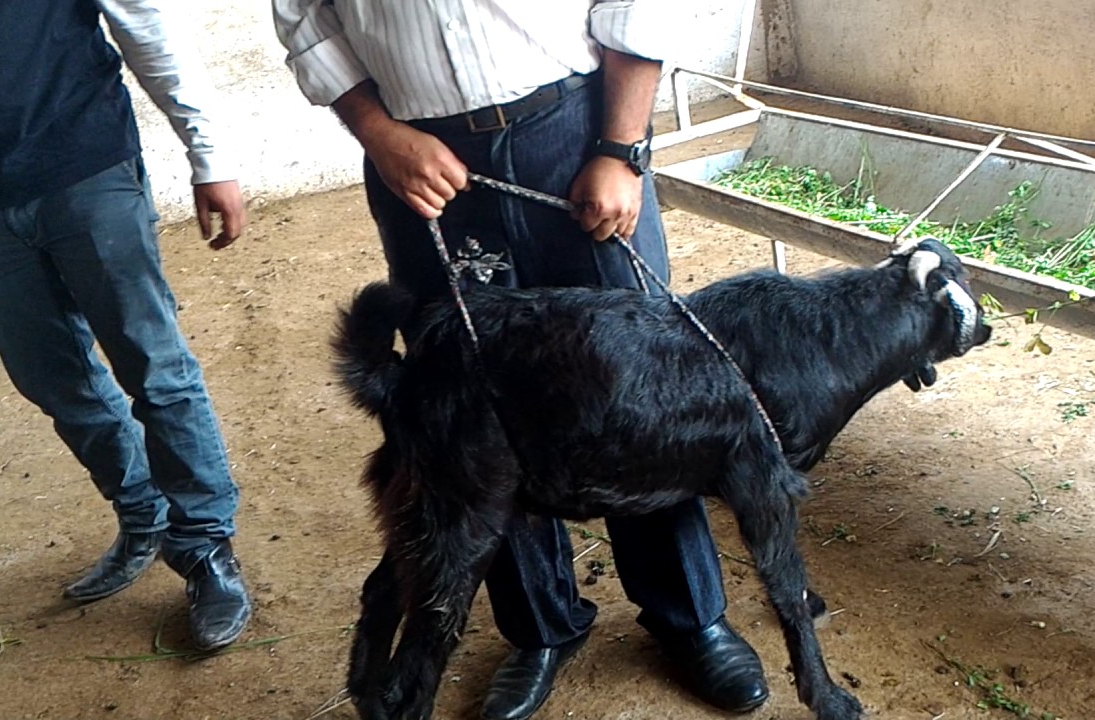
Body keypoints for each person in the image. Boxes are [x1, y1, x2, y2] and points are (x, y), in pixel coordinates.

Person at [273, 2, 770, 718]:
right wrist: (379, 135)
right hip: (422, 159)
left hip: (574, 133)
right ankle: (538, 627)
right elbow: (302, 14)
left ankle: (688, 616)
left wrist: (621, 147)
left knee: (636, 389)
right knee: (478, 416)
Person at [0, 0, 252, 652]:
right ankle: (141, 511)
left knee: (151, 360)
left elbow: (144, 22)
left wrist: (209, 151)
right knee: (50, 378)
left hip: (84, 166)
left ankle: (204, 544)